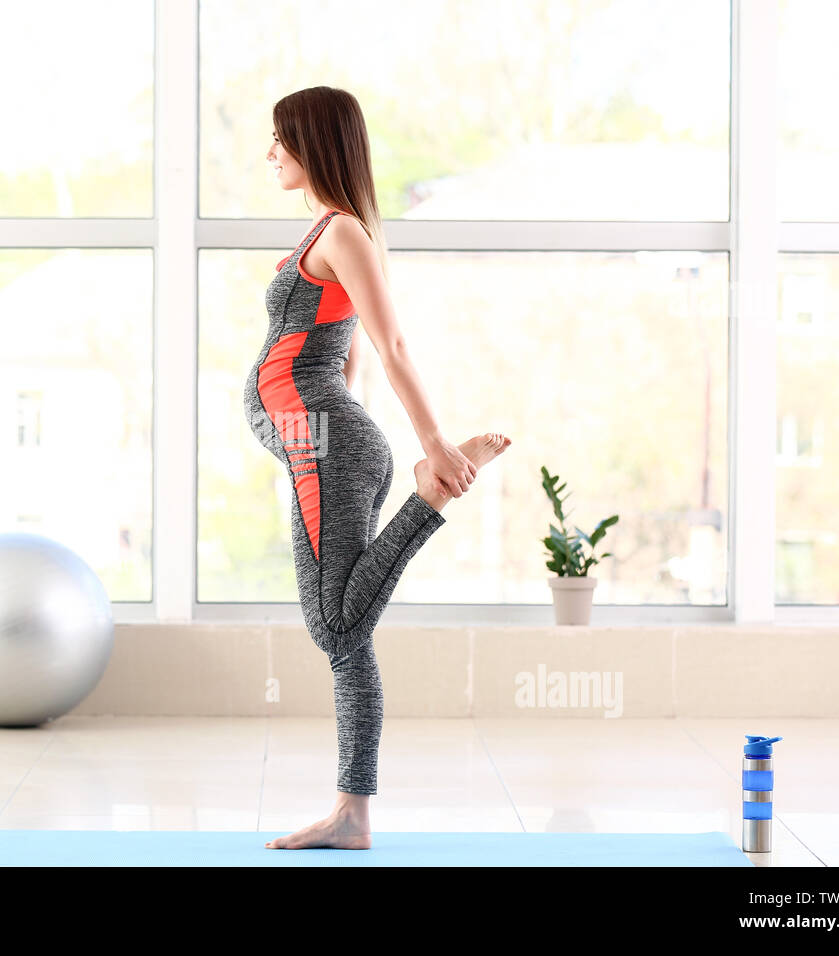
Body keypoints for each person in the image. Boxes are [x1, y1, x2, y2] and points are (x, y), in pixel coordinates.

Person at [243, 86, 511, 850]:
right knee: (346, 641)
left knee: (333, 630)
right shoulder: (328, 233)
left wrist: (434, 444)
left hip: (328, 446)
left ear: (313, 142)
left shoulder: (345, 233)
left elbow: (392, 344)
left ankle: (431, 497)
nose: (270, 154)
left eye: (279, 140)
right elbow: (348, 349)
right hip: (320, 447)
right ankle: (352, 815)